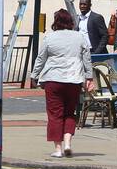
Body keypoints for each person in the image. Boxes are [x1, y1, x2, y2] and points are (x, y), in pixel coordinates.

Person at [31, 8, 94, 158]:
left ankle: (58, 149)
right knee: (69, 113)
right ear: (71, 22)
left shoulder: (49, 38)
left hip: (53, 79)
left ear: (56, 22)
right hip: (74, 80)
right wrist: (89, 77)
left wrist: (34, 75)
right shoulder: (79, 37)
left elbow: (41, 58)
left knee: (55, 114)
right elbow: (87, 59)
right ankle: (67, 144)